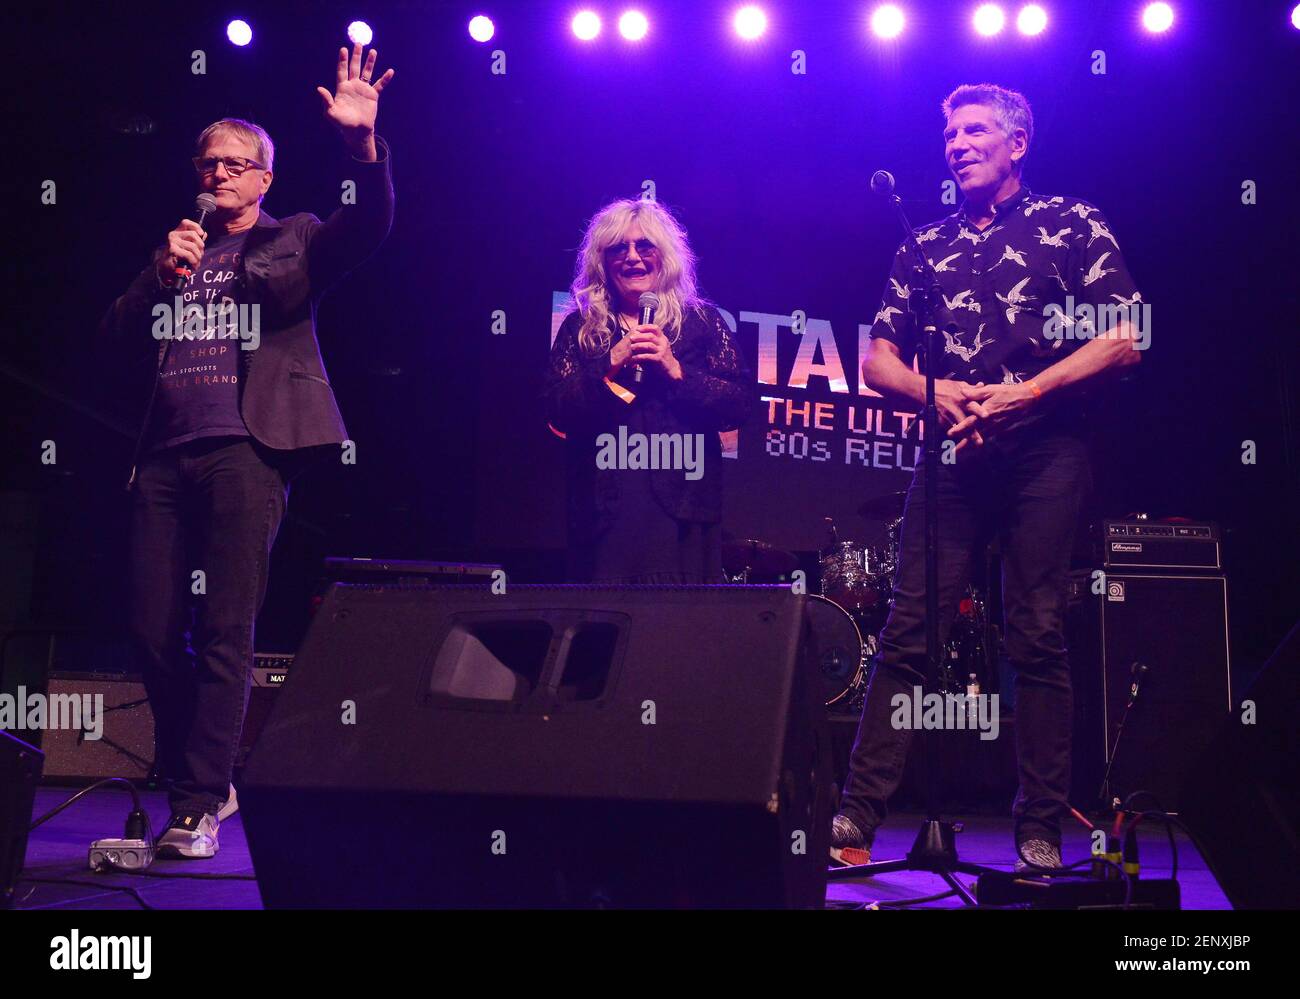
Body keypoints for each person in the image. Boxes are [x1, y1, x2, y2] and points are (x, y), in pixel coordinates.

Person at [831, 83, 1144, 870]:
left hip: (1046, 448)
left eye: (974, 130)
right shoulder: (923, 243)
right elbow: (877, 361)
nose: (956, 143)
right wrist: (938, 394)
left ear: (1018, 142)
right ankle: (856, 817)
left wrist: (1026, 392)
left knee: (1035, 632)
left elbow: (1126, 336)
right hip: (953, 454)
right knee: (907, 632)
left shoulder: (1072, 222)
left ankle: (1038, 824)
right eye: (949, 133)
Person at [98, 43, 395, 858]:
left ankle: (195, 803)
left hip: (246, 448)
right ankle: (209, 771)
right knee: (152, 628)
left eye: (237, 165)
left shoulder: (293, 237)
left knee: (227, 626)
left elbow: (367, 226)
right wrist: (161, 278)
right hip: (162, 455)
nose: (220, 174)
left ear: (265, 177)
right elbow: (114, 337)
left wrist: (362, 147)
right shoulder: (176, 252)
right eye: (209, 163)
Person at [544, 199, 749, 583]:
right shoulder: (580, 328)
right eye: (618, 248)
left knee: (680, 633)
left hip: (683, 517)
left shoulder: (701, 323)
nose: (632, 257)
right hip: (604, 517)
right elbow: (557, 408)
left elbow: (738, 405)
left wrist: (675, 369)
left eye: (644, 246)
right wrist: (611, 362)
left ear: (665, 256)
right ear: (602, 261)